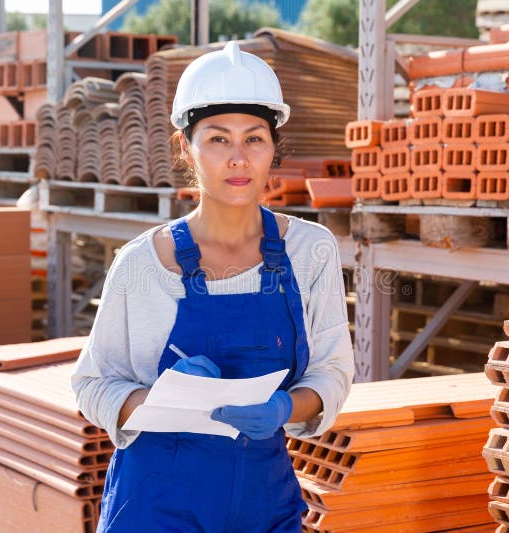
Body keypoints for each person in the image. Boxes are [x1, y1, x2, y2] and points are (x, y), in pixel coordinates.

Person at [72, 41, 354, 532]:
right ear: (186, 147)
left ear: (274, 148)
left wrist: (285, 407)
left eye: (254, 139)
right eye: (218, 139)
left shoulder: (311, 250)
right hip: (158, 506)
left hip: (264, 501)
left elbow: (331, 372)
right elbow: (93, 384)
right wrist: (160, 402)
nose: (238, 159)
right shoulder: (142, 263)